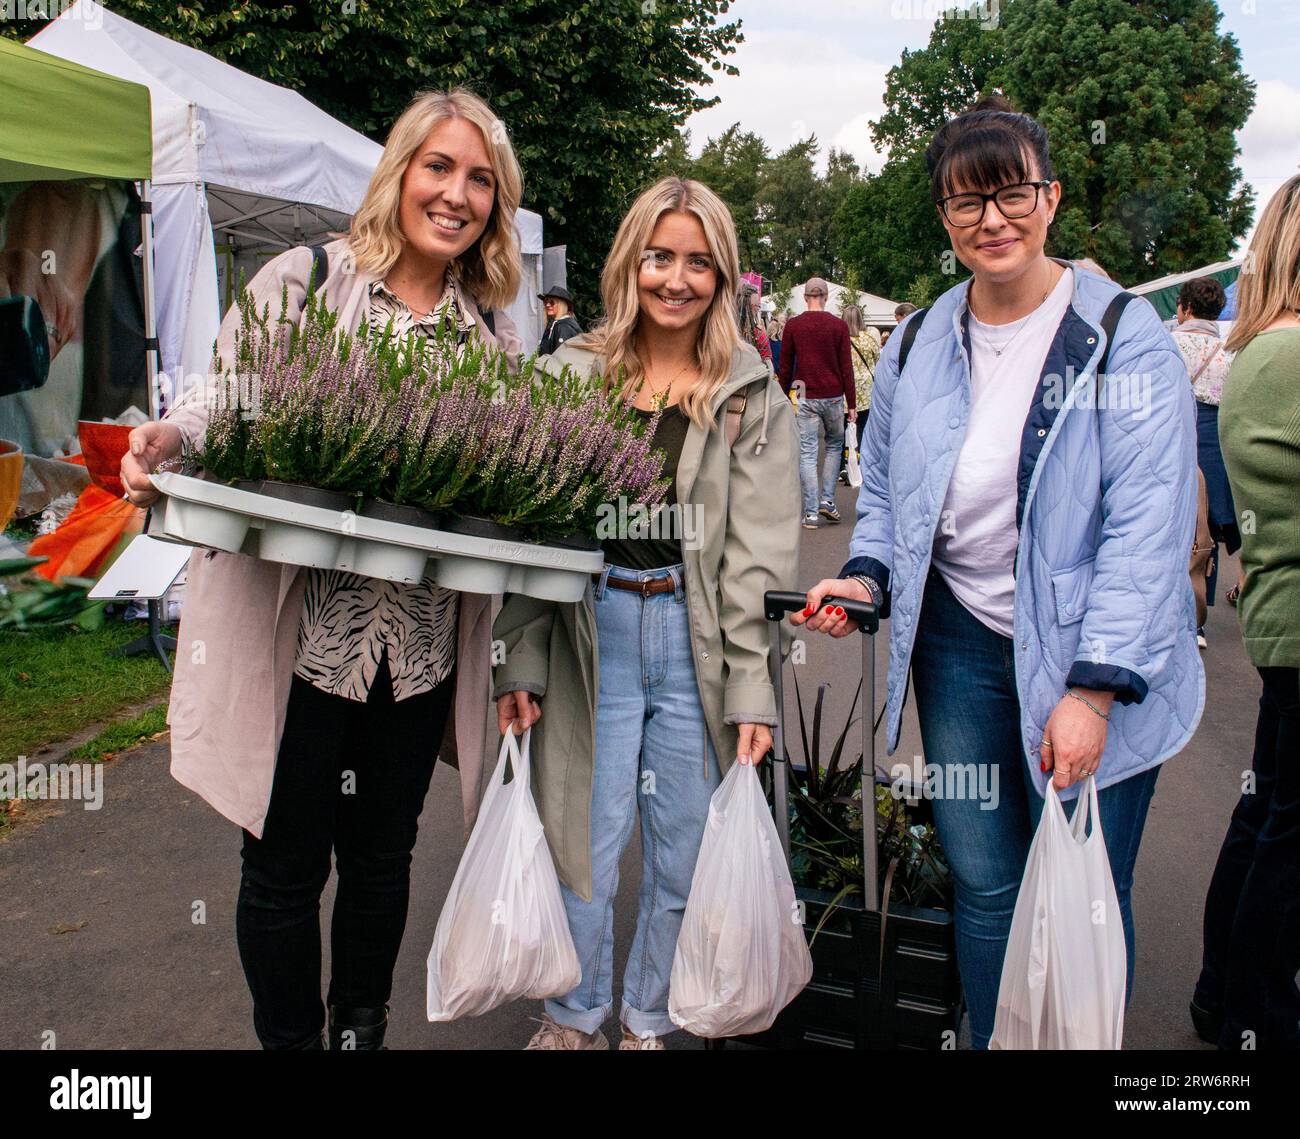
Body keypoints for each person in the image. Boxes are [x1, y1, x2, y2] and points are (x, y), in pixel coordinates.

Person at [791, 96, 1202, 1050]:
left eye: (1011, 191)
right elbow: (887, 489)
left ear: (1049, 196)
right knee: (985, 879)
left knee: (1088, 884)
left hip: (1093, 648)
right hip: (960, 641)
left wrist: (1095, 690)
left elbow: (1147, 524)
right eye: (966, 201)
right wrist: (865, 577)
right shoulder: (922, 338)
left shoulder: (1119, 333)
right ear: (944, 218)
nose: (992, 218)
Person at [120, 88, 525, 1051]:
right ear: (400, 172)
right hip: (301, 637)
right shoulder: (306, 282)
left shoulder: (494, 336)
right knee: (282, 864)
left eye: (479, 178)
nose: (457, 193)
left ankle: (360, 1031)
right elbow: (228, 400)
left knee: (384, 859)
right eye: (440, 167)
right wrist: (170, 437)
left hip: (416, 647)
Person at [493, 176, 800, 1050]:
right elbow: (529, 529)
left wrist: (752, 688)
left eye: (699, 262)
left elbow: (760, 552)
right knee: (581, 840)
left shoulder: (748, 391)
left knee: (687, 849)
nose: (677, 278)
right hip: (593, 633)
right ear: (631, 260)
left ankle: (649, 1018)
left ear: (723, 275)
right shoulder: (570, 377)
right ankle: (572, 1014)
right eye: (660, 256)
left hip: (694, 632)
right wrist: (515, 657)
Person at [1192, 173, 1300, 1052]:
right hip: (1292, 615)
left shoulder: (1260, 348)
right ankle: (1254, 1017)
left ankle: (1226, 995)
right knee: (1287, 833)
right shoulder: (1288, 354)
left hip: (1280, 612)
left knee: (1269, 811)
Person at [1171, 276, 1238, 646]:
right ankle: (1196, 619)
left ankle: (1162, 610)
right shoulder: (1230, 350)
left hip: (1174, 435)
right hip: (1213, 443)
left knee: (1166, 525)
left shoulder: (1166, 343)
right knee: (1204, 531)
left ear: (1185, 308)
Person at [778, 277, 855, 529]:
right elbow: (846, 367)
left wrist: (782, 395)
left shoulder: (793, 325)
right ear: (826, 296)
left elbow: (786, 366)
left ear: (805, 297)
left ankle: (810, 513)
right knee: (834, 445)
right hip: (833, 394)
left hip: (803, 395)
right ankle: (828, 501)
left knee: (808, 453)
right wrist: (852, 403)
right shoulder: (839, 327)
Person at [843, 303, 880, 454]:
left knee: (844, 428)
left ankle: (845, 461)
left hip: (845, 390)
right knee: (863, 428)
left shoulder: (841, 338)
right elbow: (878, 360)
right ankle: (863, 459)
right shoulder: (869, 338)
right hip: (866, 390)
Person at [538, 284, 582, 355]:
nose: (547, 305)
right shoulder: (554, 325)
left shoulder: (564, 327)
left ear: (561, 305)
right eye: (546, 301)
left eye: (552, 302)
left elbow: (561, 359)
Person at [738, 279, 772, 364]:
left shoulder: (725, 330)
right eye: (757, 306)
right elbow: (768, 364)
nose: (757, 309)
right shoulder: (758, 334)